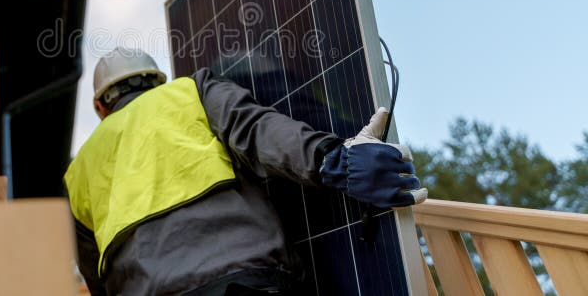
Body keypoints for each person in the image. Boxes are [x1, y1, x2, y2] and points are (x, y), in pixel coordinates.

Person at [64, 48, 427, 295]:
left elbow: (94, 275)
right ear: (156, 81)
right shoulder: (188, 92)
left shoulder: (77, 171)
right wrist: (331, 158)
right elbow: (259, 131)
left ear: (100, 105)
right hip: (247, 281)